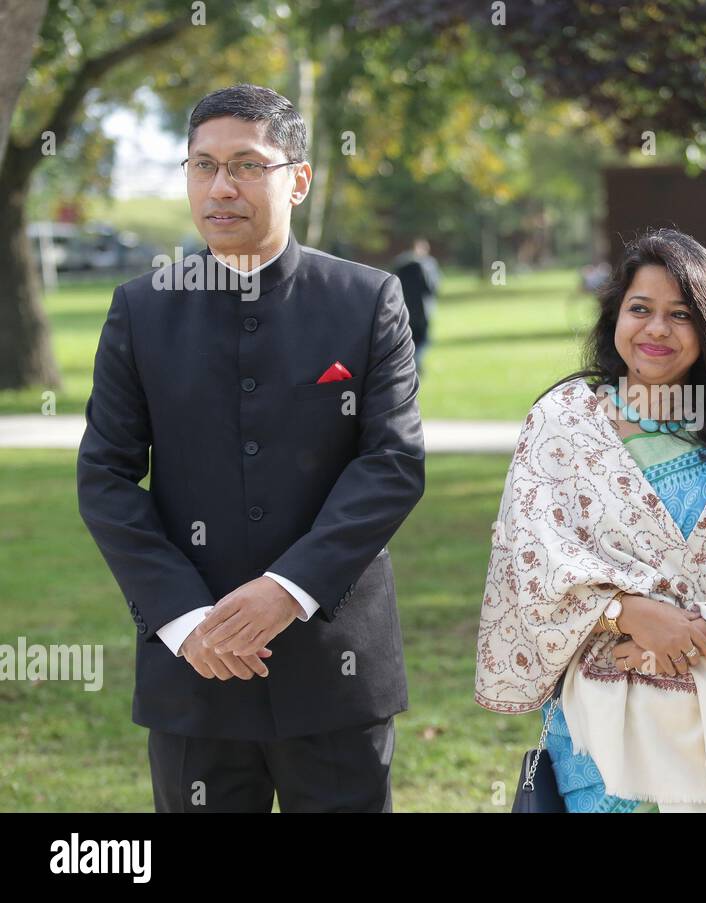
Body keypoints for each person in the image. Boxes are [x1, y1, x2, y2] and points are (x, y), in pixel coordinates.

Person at [76, 83, 426, 812]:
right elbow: (105, 475)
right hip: (193, 669)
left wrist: (287, 590)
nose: (221, 187)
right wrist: (184, 621)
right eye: (203, 166)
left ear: (298, 179)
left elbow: (391, 463)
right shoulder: (140, 309)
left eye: (246, 165)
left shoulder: (368, 301)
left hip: (334, 668)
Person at [475, 229, 706, 812]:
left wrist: (693, 637)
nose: (657, 329)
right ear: (615, 316)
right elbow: (532, 560)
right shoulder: (564, 423)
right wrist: (626, 613)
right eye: (640, 309)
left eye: (681, 315)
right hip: (602, 731)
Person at [392, 238, 441, 374]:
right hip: (423, 310)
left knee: (408, 340)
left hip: (404, 308)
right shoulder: (427, 265)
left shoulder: (400, 264)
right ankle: (416, 363)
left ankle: (411, 364)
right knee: (423, 340)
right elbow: (432, 288)